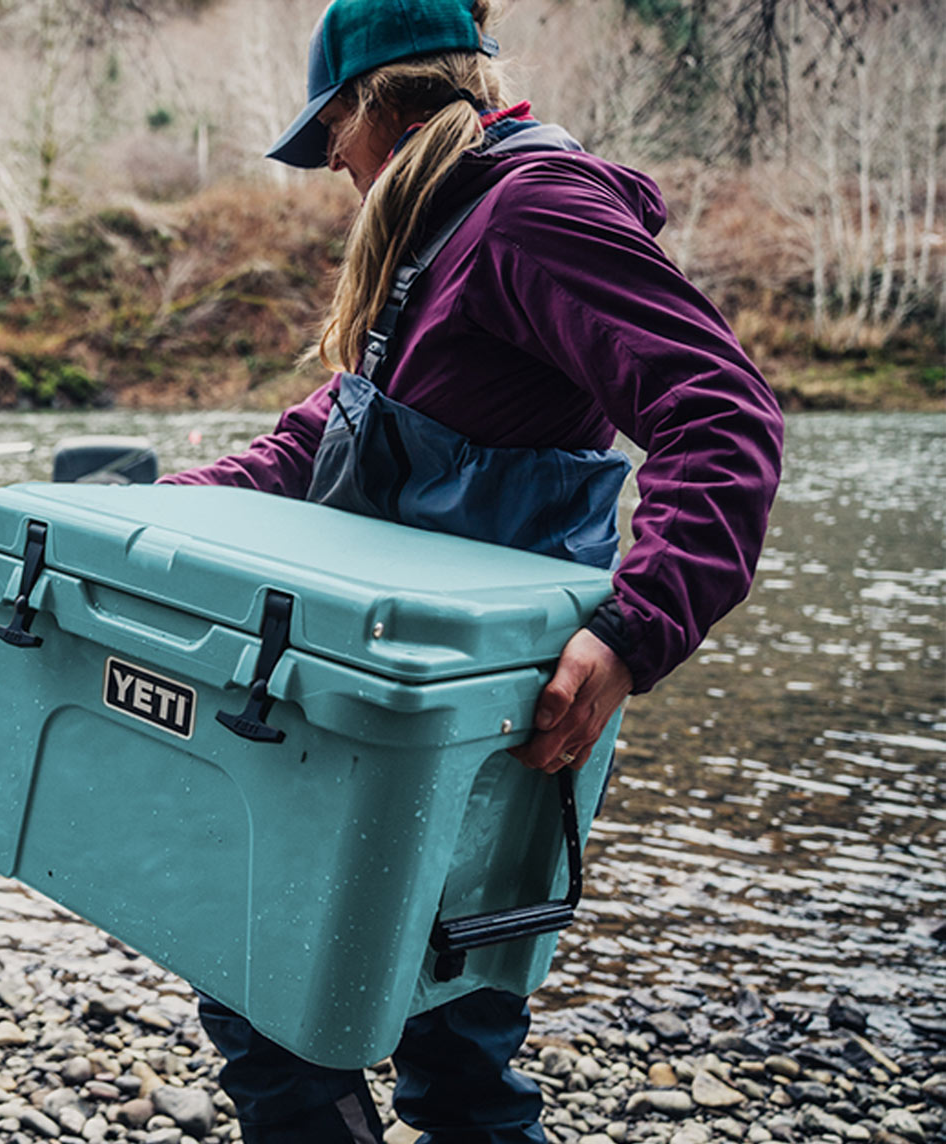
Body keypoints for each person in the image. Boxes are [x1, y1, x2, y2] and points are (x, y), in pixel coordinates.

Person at [158, 0, 785, 1139]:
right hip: (392, 714)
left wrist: (633, 630)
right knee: (382, 1030)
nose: (333, 168)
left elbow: (723, 415)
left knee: (332, 1017)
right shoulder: (439, 237)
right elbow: (329, 436)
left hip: (489, 721)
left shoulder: (531, 213)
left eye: (331, 138)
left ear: (371, 110)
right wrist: (143, 522)